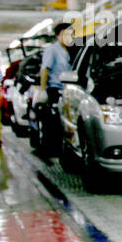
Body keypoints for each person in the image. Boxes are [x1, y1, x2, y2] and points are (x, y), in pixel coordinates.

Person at [33, 22, 74, 157]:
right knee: (51, 122)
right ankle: (47, 150)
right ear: (57, 36)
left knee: (61, 122)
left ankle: (56, 148)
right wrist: (43, 89)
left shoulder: (67, 52)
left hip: (65, 91)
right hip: (54, 90)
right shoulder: (52, 50)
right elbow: (45, 69)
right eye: (64, 34)